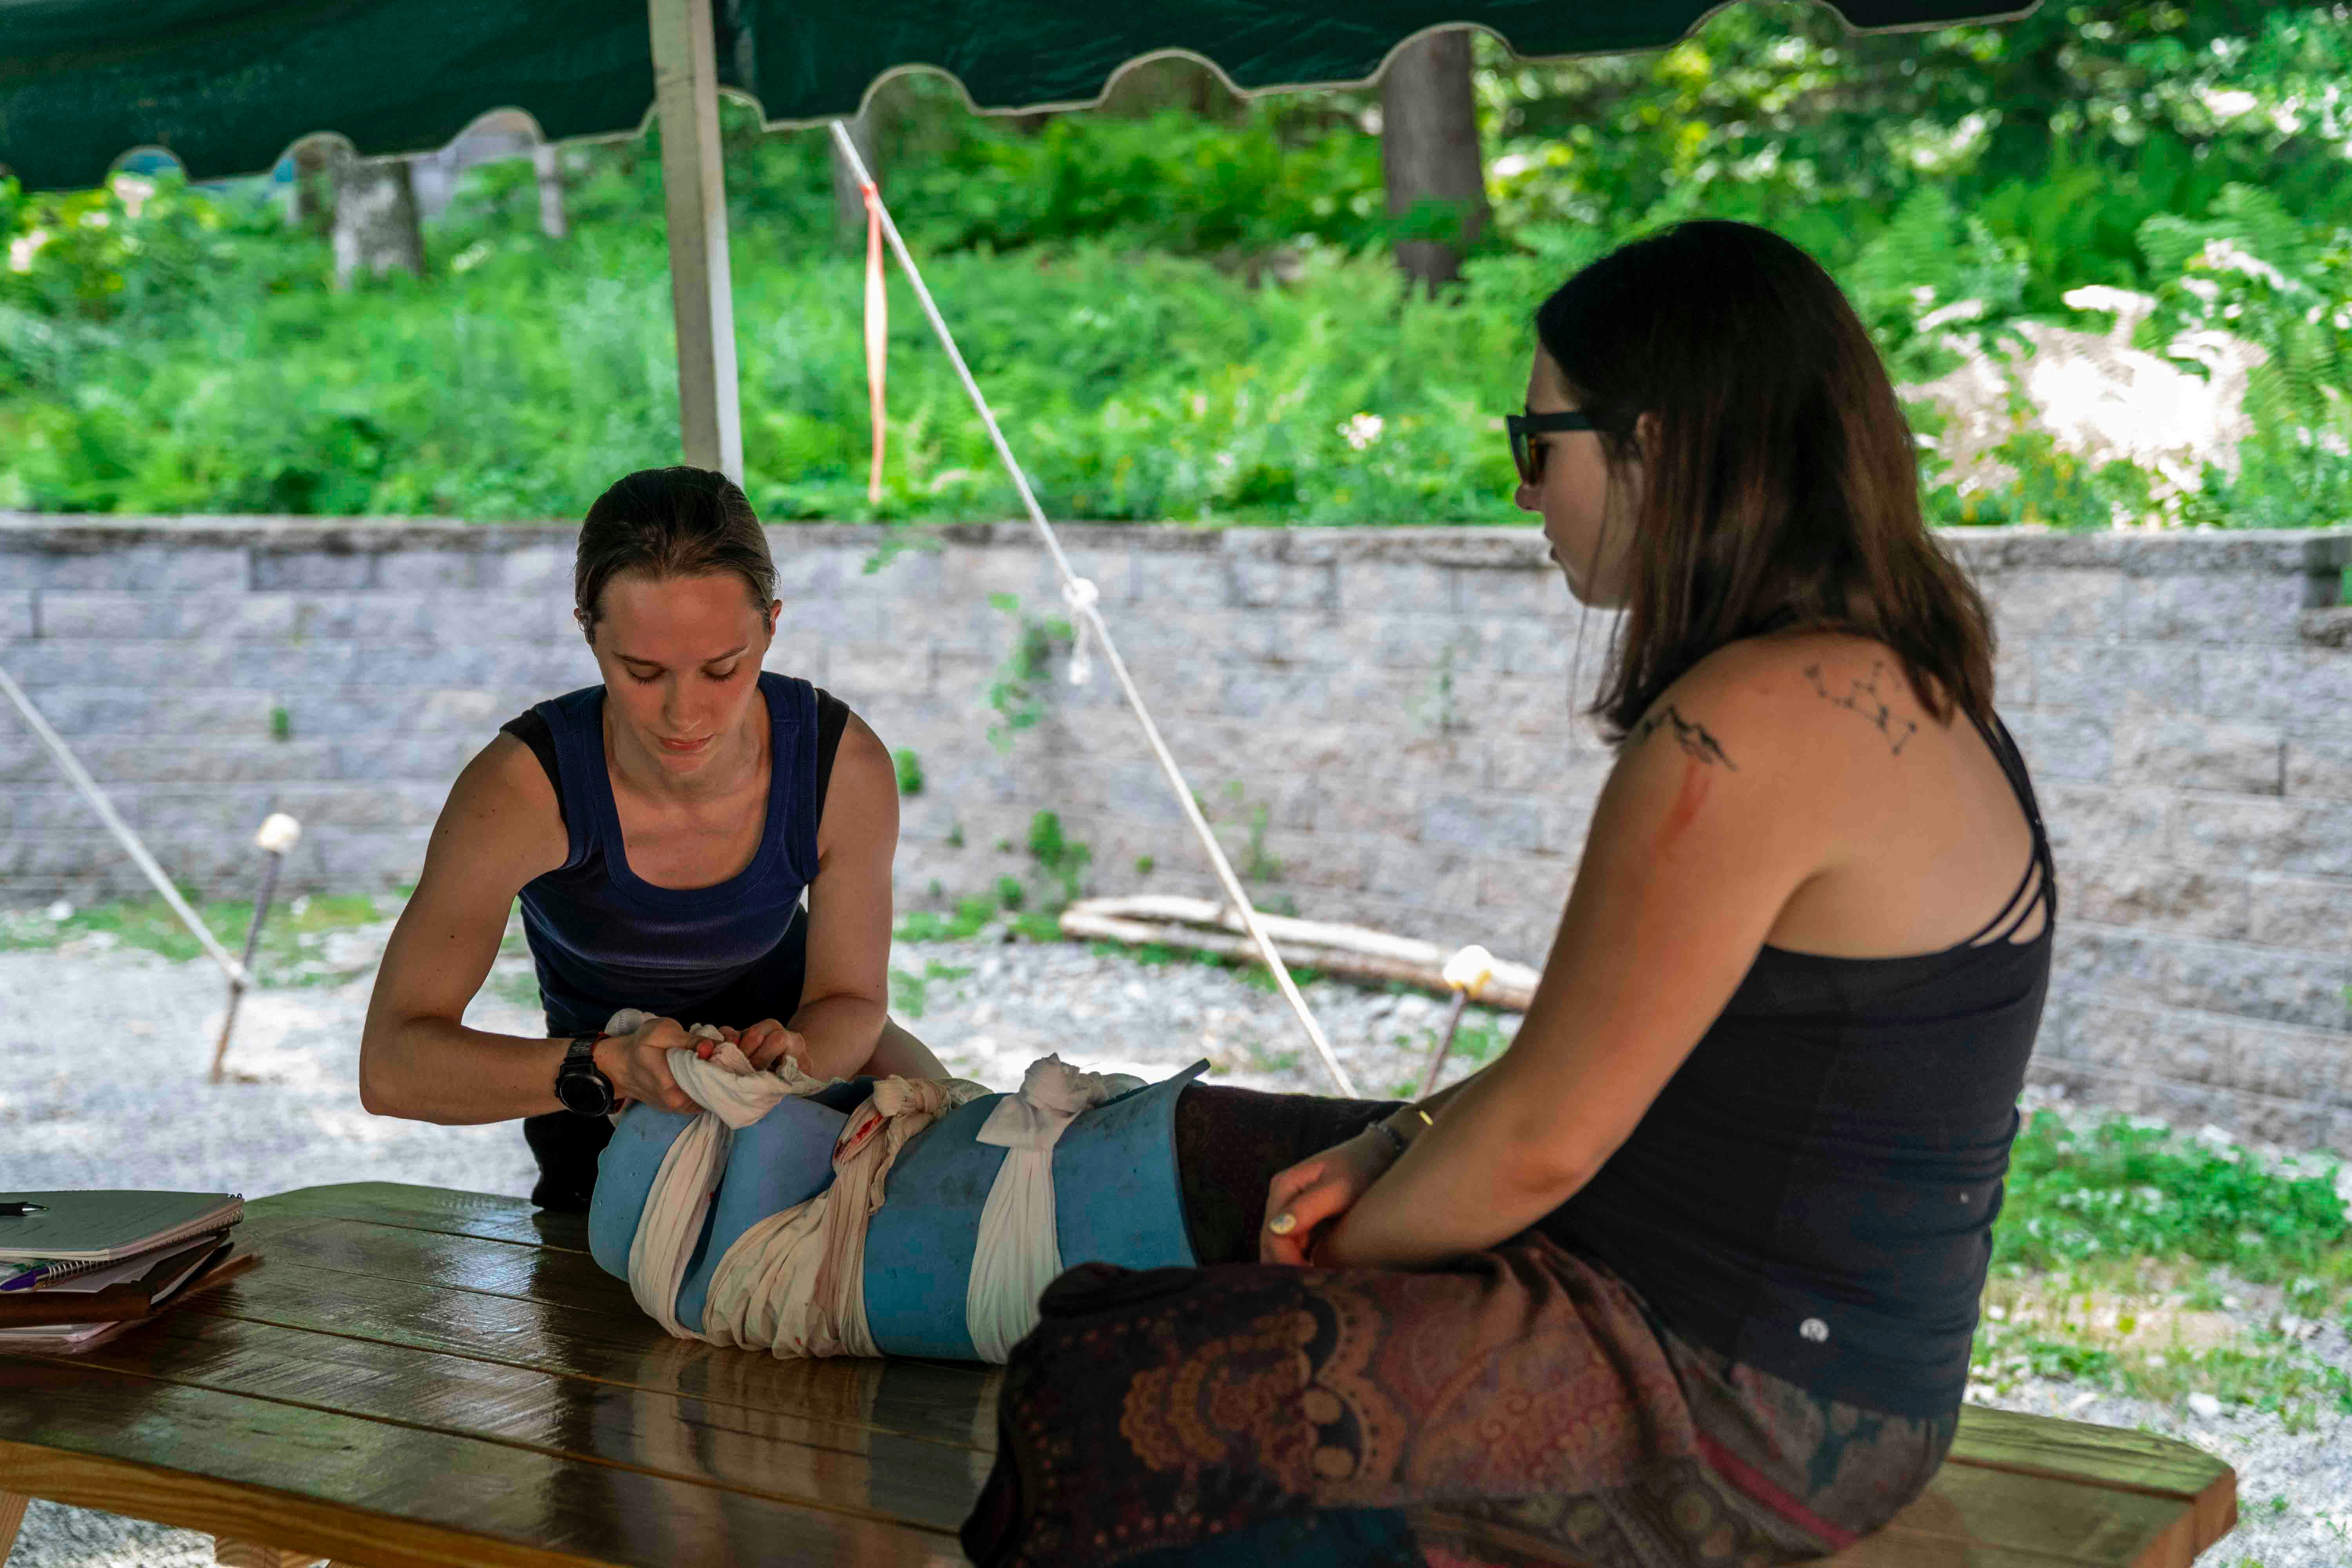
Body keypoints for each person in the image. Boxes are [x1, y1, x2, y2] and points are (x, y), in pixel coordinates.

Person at [964, 220, 2055, 1567]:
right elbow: (1603, 1059)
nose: (1526, 490)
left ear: (1659, 445)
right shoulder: (1891, 675)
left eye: (1539, 442)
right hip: (1795, 1353)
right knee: (1229, 1156)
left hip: (1754, 1406)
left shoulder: (1754, 722)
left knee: (1116, 1401)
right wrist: (1396, 1139)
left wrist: (1307, 1276)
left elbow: (1545, 1139)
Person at [360, 466, 944, 1211]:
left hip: (795, 1040)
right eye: (641, 672)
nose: (684, 714)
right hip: (600, 1088)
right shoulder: (523, 790)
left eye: (723, 669)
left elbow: (852, 999)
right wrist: (608, 1068)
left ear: (772, 625)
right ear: (587, 631)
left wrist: (793, 1060)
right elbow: (390, 1067)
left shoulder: (842, 767)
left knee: (956, 1143)